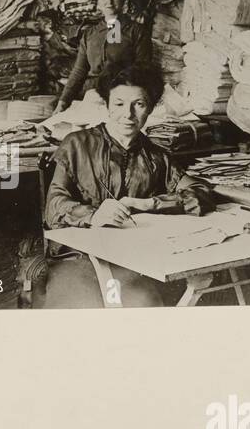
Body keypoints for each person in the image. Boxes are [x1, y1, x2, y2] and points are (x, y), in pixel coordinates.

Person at [39, 63, 215, 308]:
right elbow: (54, 205)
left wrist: (150, 203)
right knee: (83, 309)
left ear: (151, 108)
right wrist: (94, 214)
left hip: (133, 257)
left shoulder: (156, 156)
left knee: (143, 304)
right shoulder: (76, 144)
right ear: (108, 105)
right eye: (119, 104)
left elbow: (202, 192)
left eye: (139, 104)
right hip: (76, 255)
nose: (128, 115)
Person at [54, 0, 152, 112]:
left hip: (124, 100)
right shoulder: (89, 34)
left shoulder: (136, 31)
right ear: (97, 1)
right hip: (92, 99)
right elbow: (79, 71)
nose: (109, 2)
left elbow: (143, 71)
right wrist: (63, 102)